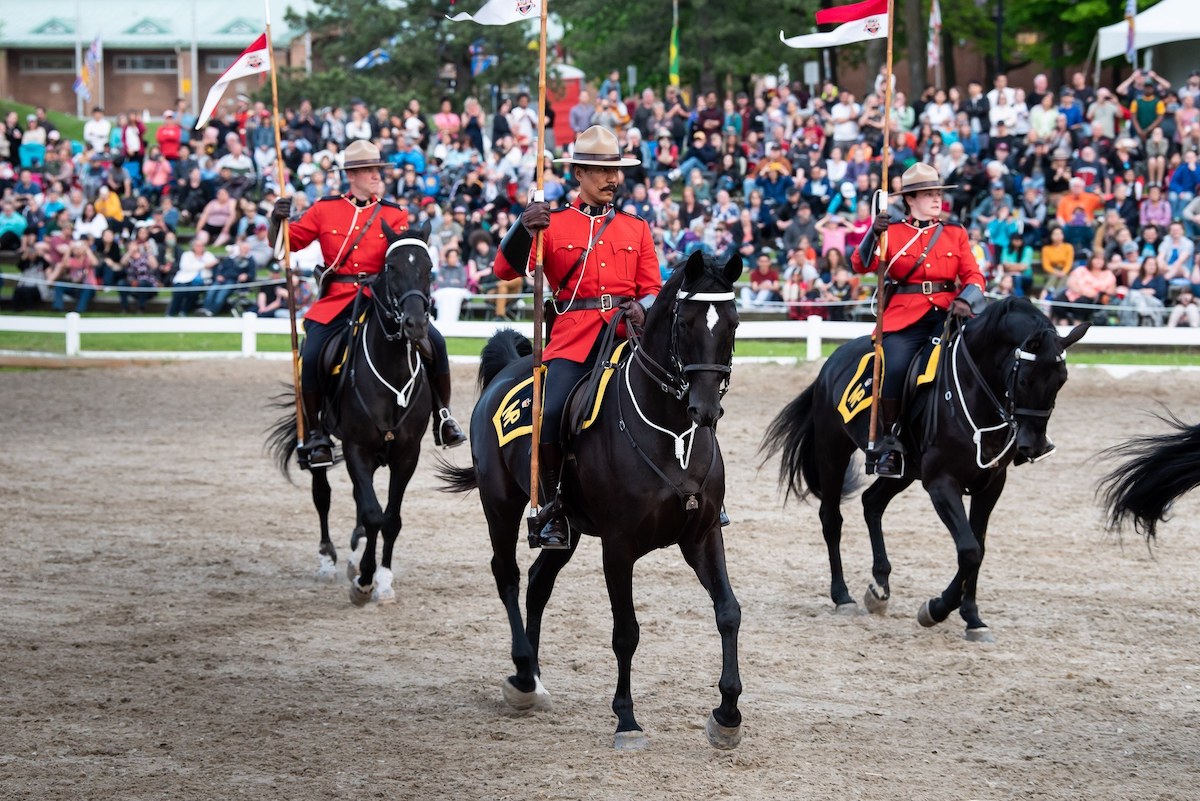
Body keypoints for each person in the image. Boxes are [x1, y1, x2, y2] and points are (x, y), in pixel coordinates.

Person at [493, 125, 661, 548]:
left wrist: (645, 307)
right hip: (575, 339)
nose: (613, 180)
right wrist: (521, 227)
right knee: (549, 415)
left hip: (629, 336)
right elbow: (503, 271)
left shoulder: (635, 228)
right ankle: (555, 509)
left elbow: (653, 286)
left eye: (617, 171)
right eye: (604, 171)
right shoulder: (551, 225)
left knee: (685, 391)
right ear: (580, 173)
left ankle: (698, 488)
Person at [269, 139, 465, 469]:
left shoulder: (393, 213)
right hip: (337, 300)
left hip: (381, 302)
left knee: (437, 343)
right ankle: (317, 433)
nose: (377, 175)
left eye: (378, 169)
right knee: (313, 353)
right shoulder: (324, 209)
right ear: (353, 175)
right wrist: (277, 220)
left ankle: (442, 415)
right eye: (370, 170)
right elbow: (286, 245)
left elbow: (404, 260)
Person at [850, 162, 986, 478]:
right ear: (911, 200)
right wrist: (874, 232)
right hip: (904, 318)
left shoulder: (955, 233)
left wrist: (967, 298)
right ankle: (891, 442)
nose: (936, 199)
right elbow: (860, 264)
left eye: (938, 192)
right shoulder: (893, 232)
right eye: (928, 194)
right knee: (895, 366)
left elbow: (973, 274)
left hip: (950, 313)